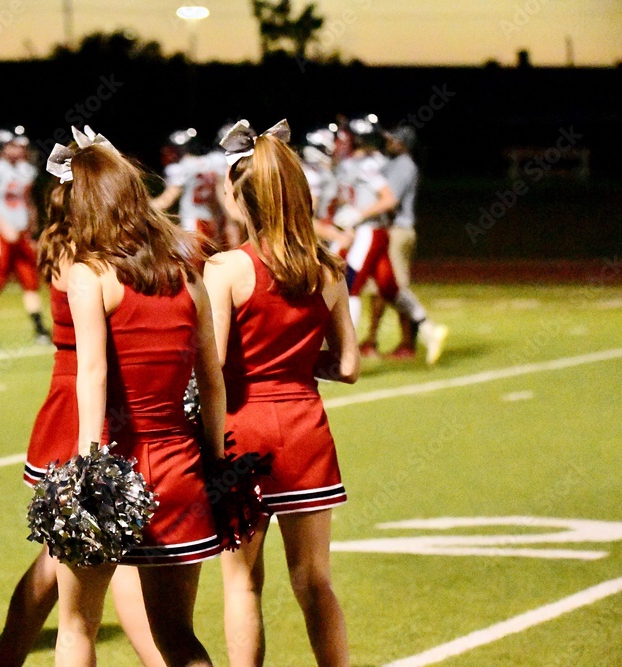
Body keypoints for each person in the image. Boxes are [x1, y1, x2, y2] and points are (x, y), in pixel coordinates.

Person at [51, 128, 225, 667]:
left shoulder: (89, 274)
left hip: (117, 464)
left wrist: (86, 466)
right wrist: (216, 461)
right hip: (181, 466)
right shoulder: (185, 272)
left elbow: (93, 375)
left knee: (77, 626)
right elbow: (213, 379)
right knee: (176, 635)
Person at [0, 140, 164, 667]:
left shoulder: (76, 248)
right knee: (113, 570)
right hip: (85, 412)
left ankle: (5, 660)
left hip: (87, 402)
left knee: (54, 566)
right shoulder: (78, 259)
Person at [204, 119, 358, 667]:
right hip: (306, 429)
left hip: (241, 432)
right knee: (315, 581)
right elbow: (348, 366)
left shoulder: (224, 268)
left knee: (242, 583)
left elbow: (214, 366)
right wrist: (293, 363)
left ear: (241, 201)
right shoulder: (327, 269)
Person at [333, 115, 447, 365]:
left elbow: (389, 198)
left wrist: (357, 215)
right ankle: (429, 328)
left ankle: (345, 355)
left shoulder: (368, 165)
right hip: (373, 231)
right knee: (390, 288)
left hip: (369, 231)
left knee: (350, 286)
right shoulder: (365, 162)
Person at [0, 127, 50, 347]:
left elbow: (27, 201)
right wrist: (4, 226)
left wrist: (31, 230)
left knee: (30, 281)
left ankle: (40, 329)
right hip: (0, 234)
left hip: (21, 233)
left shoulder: (25, 170)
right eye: (12, 145)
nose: (18, 149)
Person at [362, 126, 420, 357]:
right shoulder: (393, 162)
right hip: (388, 230)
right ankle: (371, 340)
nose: (389, 142)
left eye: (394, 140)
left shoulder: (404, 164)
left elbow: (390, 200)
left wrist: (359, 212)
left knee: (395, 289)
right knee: (379, 288)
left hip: (398, 230)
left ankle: (408, 341)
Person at [152, 127, 230, 249]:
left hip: (193, 225)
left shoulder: (182, 167)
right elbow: (223, 195)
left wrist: (143, 207)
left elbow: (167, 199)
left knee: (188, 264)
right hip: (216, 224)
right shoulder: (216, 161)